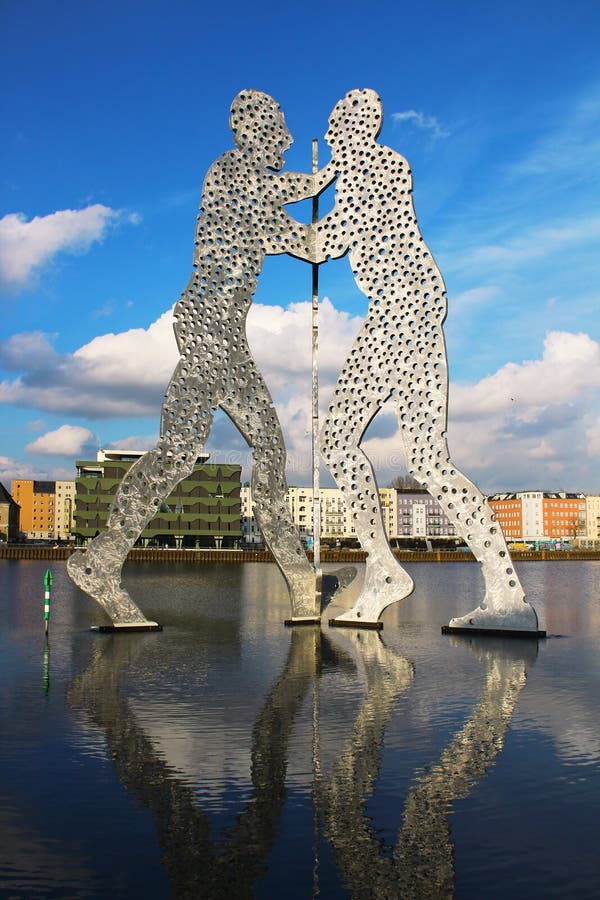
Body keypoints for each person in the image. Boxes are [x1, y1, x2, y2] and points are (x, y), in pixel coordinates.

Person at [69, 90, 334, 624]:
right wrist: (341, 176)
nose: (285, 138)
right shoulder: (235, 174)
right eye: (278, 128)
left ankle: (102, 558)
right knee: (240, 449)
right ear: (254, 131)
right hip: (210, 324)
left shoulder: (251, 189)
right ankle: (299, 581)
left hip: (217, 328)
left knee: (198, 450)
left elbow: (300, 222)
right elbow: (305, 227)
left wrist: (329, 187)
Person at [317, 88, 539, 631]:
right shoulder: (382, 166)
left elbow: (327, 241)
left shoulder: (373, 169)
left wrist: (267, 225)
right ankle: (504, 593)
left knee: (341, 443)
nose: (330, 145)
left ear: (351, 133)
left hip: (398, 313)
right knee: (427, 460)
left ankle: (386, 569)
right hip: (414, 312)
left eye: (334, 134)